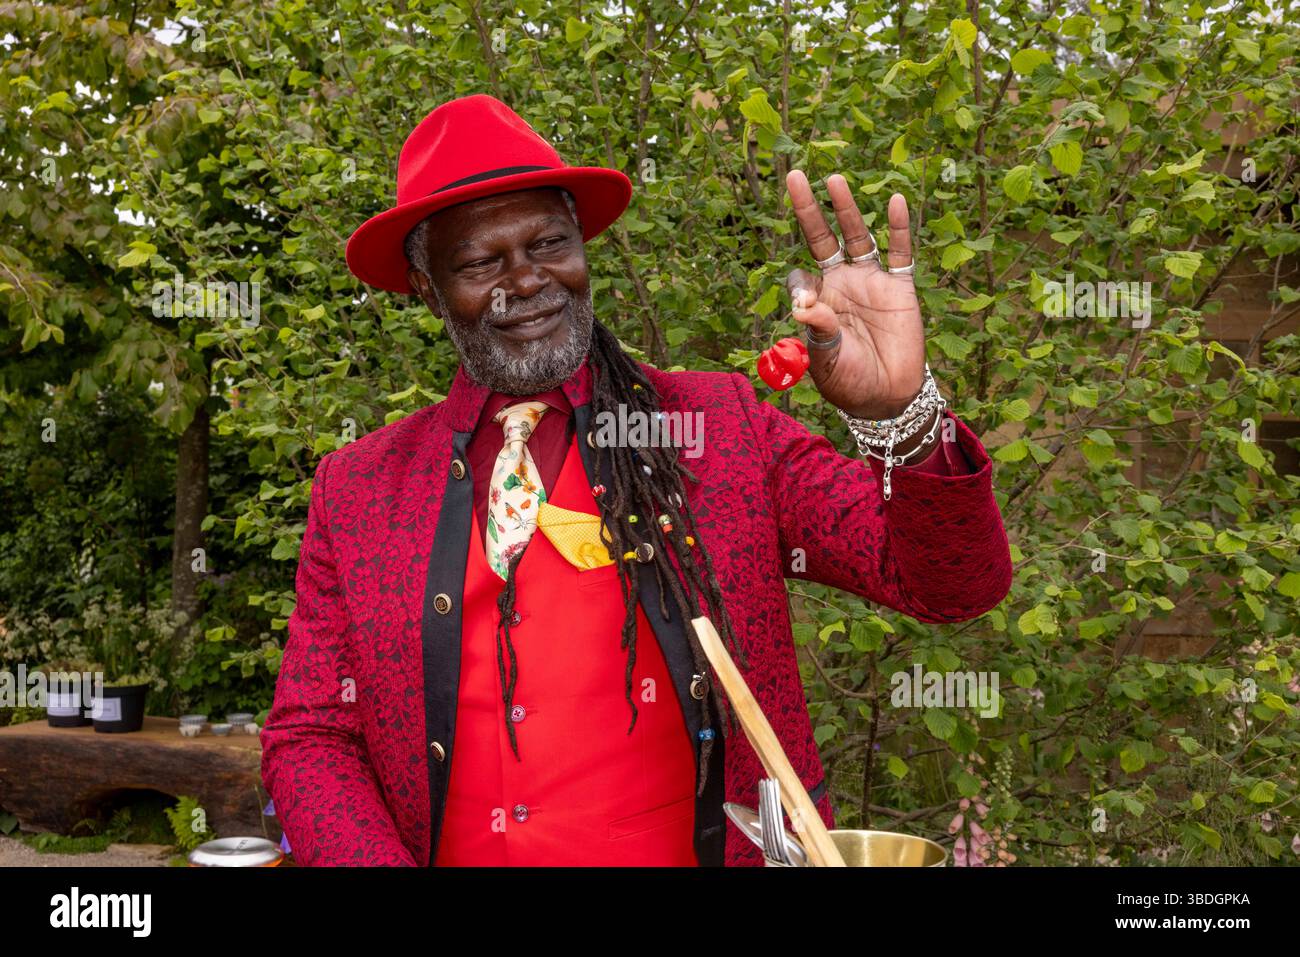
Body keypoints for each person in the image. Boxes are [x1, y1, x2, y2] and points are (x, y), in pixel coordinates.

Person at [260, 93, 1012, 866]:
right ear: (425, 288)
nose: (526, 280)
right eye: (481, 261)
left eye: (549, 242)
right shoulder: (359, 489)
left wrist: (905, 415)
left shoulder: (717, 429)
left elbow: (951, 585)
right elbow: (311, 733)